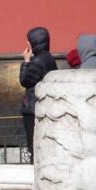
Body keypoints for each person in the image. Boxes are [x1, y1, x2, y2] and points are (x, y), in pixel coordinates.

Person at [19, 27, 57, 158]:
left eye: (29, 41)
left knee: (33, 143)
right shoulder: (49, 58)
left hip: (32, 107)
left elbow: (24, 81)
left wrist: (26, 62)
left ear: (34, 42)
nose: (27, 44)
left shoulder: (37, 61)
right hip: (44, 105)